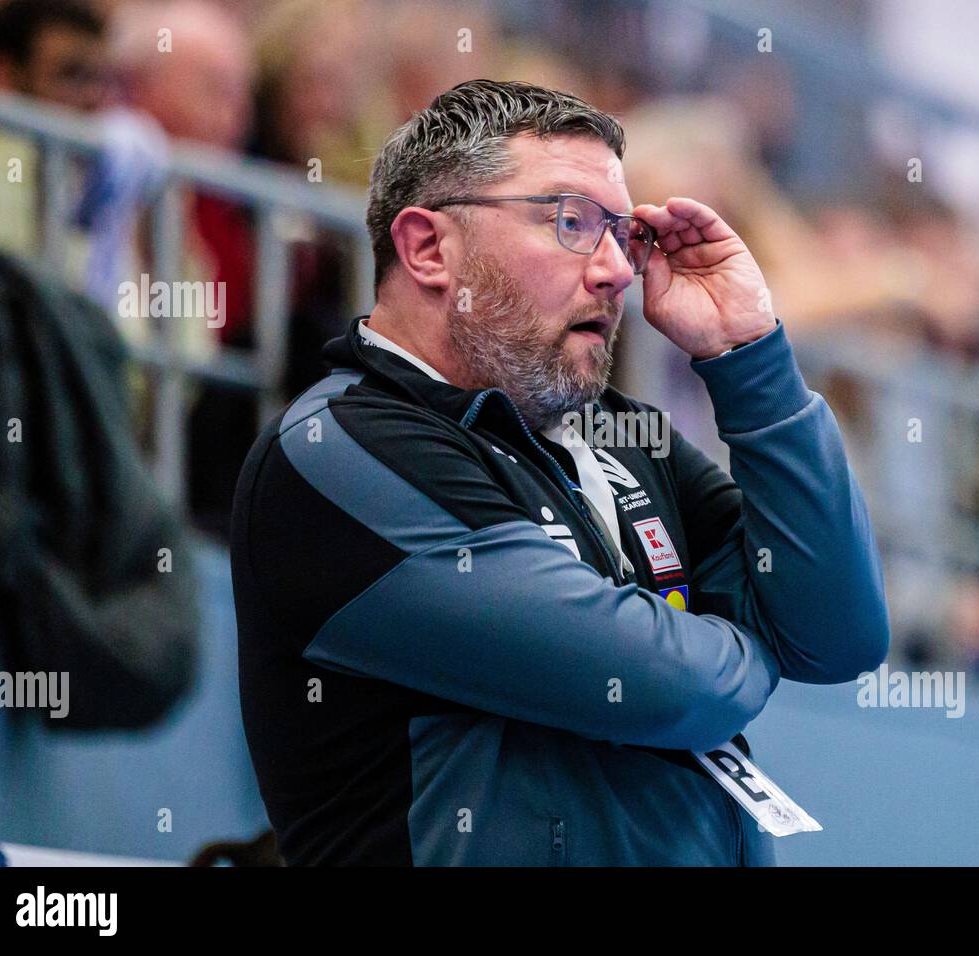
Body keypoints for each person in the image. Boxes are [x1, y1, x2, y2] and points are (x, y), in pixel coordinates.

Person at [230, 79, 890, 866]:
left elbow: (838, 635)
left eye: (622, 233)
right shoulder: (339, 448)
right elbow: (665, 686)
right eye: (571, 223)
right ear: (429, 249)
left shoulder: (622, 434)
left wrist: (750, 360)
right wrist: (749, 649)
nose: (618, 271)